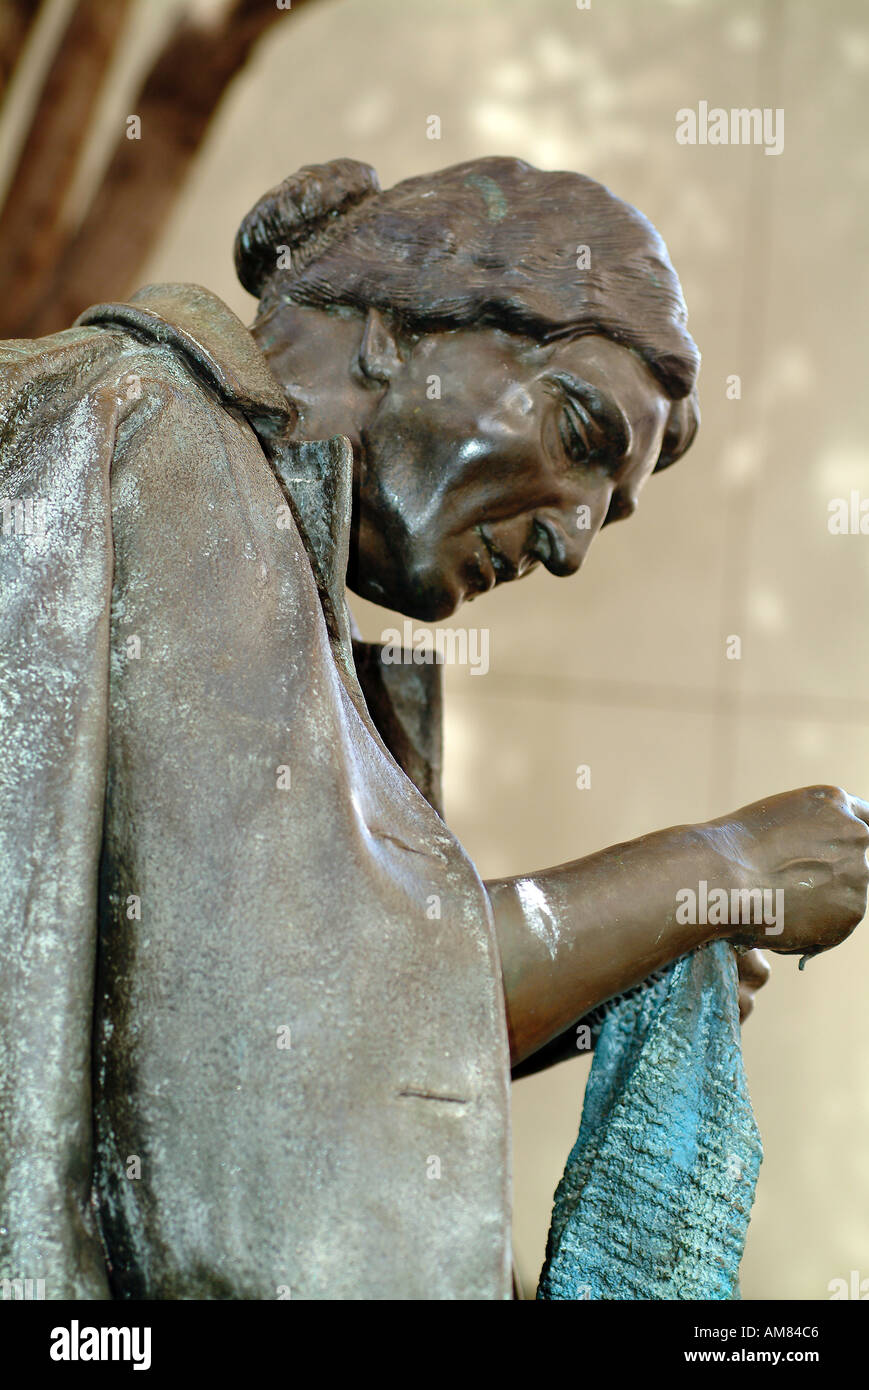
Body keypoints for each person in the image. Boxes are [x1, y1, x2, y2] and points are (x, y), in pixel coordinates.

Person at [0, 157, 865, 1300]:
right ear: (396, 325)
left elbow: (253, 1040)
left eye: (607, 510)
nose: (571, 540)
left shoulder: (266, 567)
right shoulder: (140, 430)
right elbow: (265, 1046)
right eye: (579, 434)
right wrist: (713, 868)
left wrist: (612, 965)